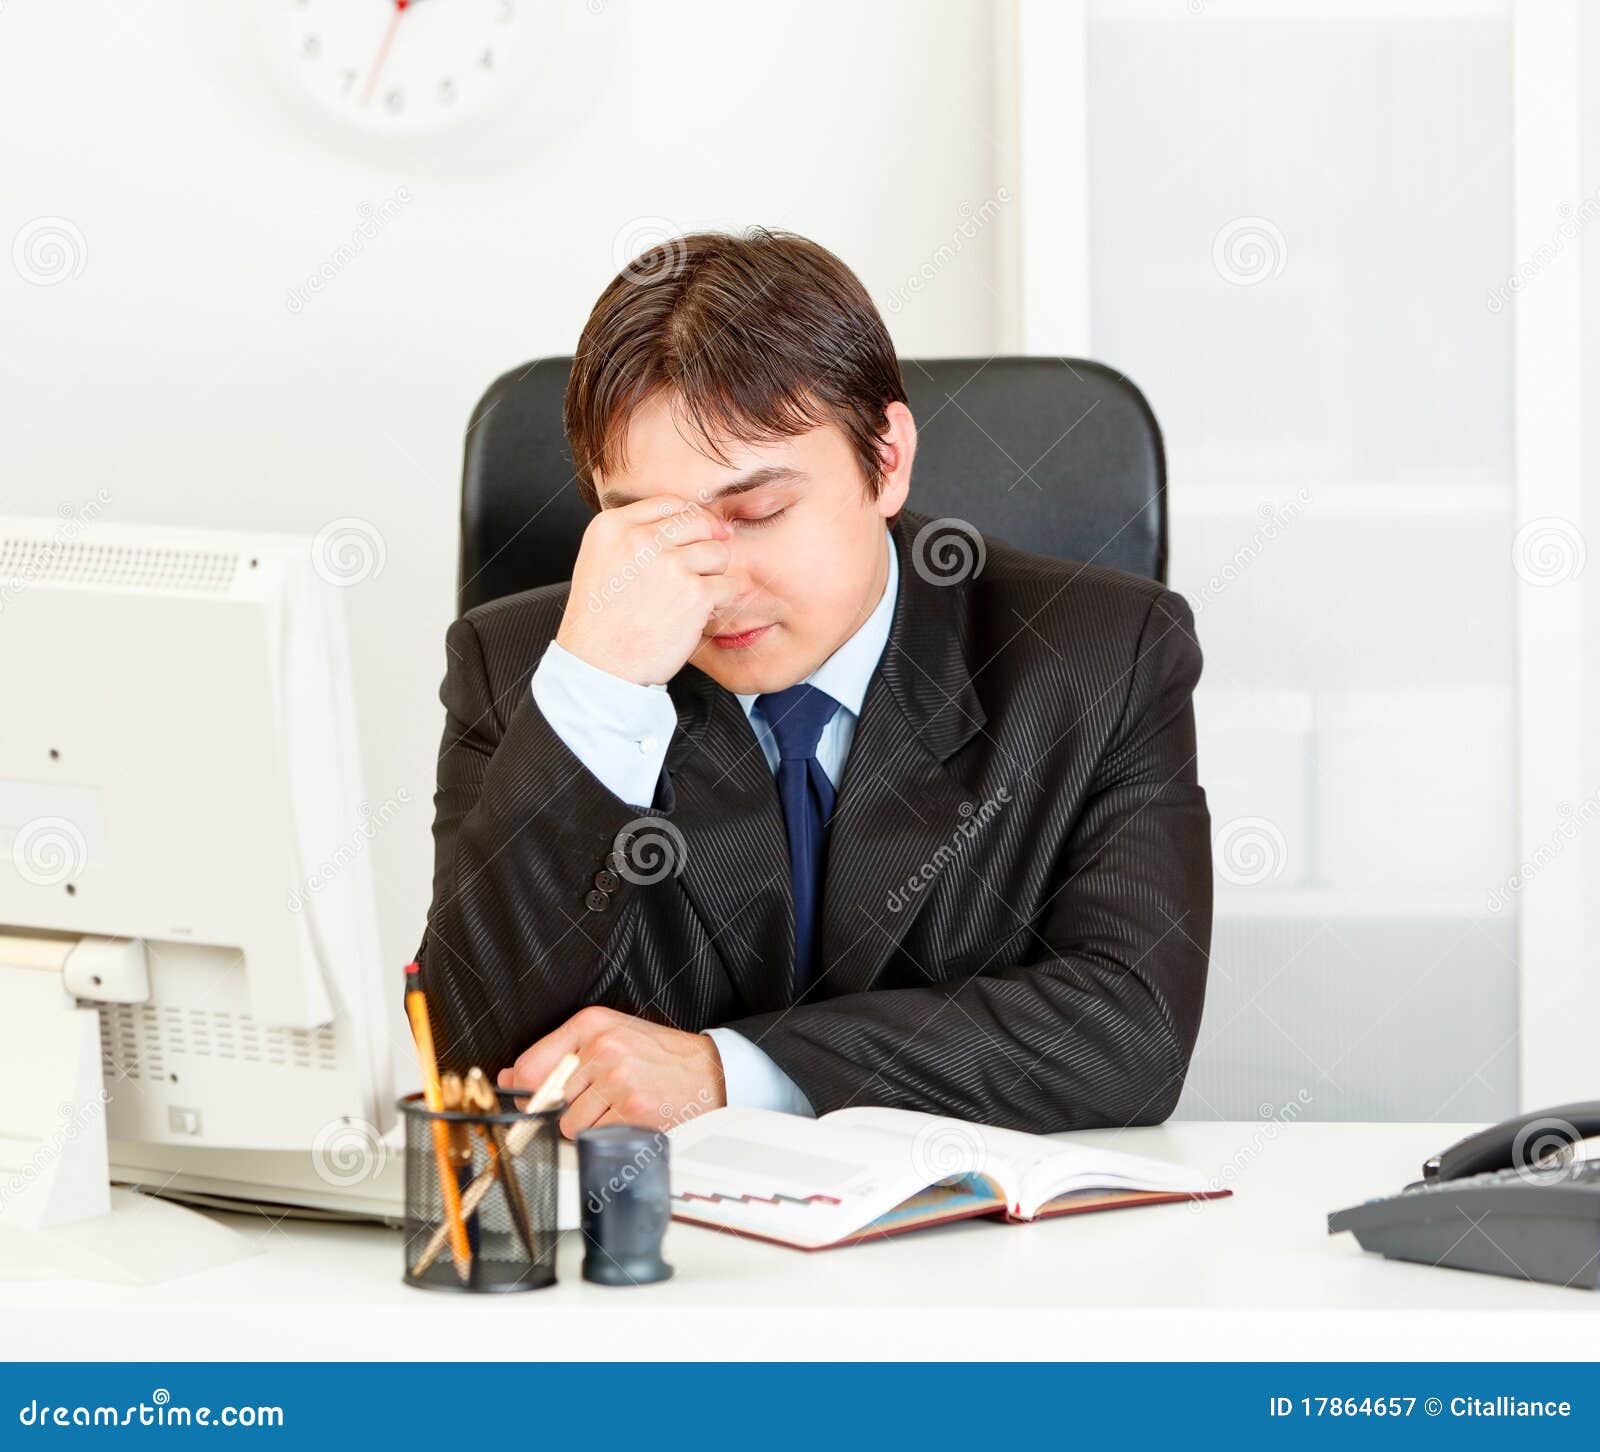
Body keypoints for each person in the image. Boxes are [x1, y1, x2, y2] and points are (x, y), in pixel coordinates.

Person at [416, 227, 1212, 1139]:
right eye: (649, 525)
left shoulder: (1106, 653)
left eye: (758, 512)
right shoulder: (531, 672)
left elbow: (1129, 1029)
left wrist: (733, 1074)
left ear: (887, 462)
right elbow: (468, 1063)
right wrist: (599, 694)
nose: (712, 582)